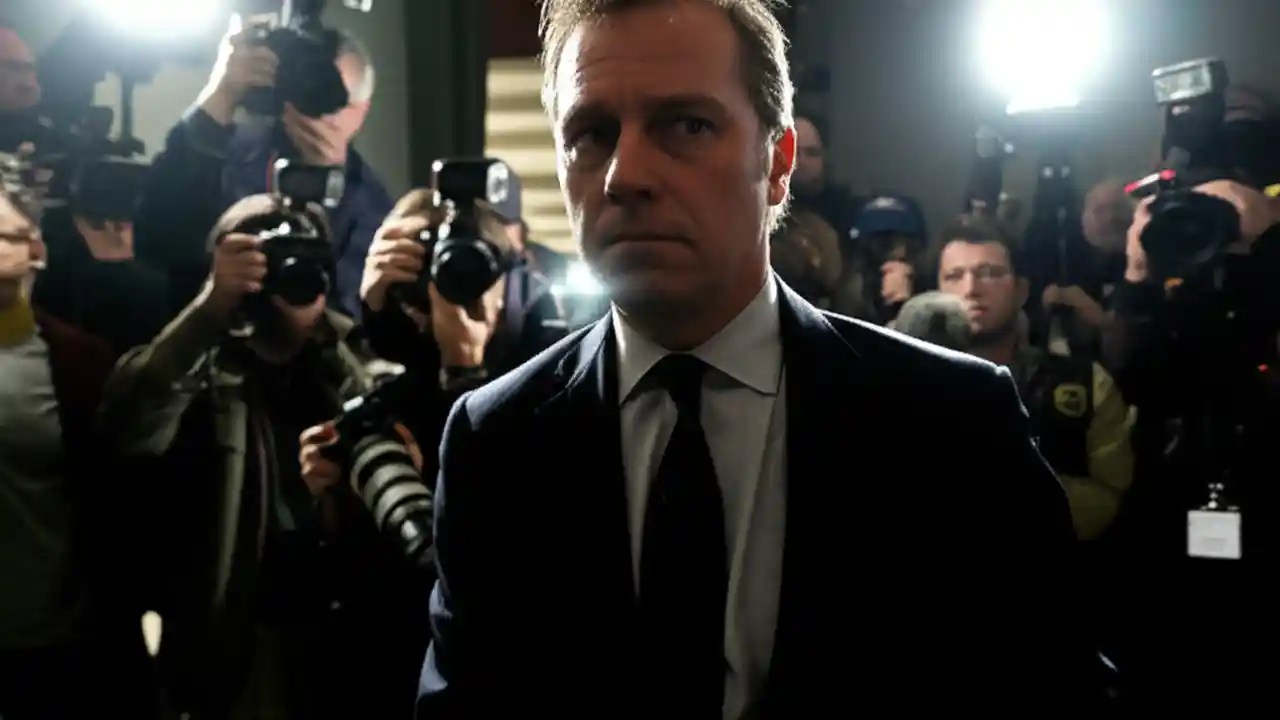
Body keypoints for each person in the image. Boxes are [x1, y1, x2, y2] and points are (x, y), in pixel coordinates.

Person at [417, 1, 1100, 717]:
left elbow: (1056, 692)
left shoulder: (952, 422)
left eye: (686, 125)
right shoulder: (495, 440)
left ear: (776, 163)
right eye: (591, 134)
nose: (625, 174)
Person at [99, 195, 427, 719]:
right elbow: (127, 426)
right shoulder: (197, 366)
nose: (293, 277)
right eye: (272, 261)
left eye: (307, 261)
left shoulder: (357, 362)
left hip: (348, 630)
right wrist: (211, 309)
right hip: (239, 639)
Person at [296, 183, 565, 542]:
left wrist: (464, 372)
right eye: (417, 287)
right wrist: (335, 504)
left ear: (510, 284)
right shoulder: (394, 400)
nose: (438, 306)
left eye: (458, 277)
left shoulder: (562, 384)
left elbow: (507, 536)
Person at [0, 192, 155, 719]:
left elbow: (113, 496)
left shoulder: (76, 361)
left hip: (61, 633)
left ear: (35, 248)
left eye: (5, 235)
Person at [135, 16, 393, 319]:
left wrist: (325, 185)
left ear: (361, 111)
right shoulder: (225, 149)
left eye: (334, 102)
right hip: (207, 345)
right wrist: (222, 95)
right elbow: (155, 235)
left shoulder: (370, 203)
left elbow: (352, 317)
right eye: (309, 95)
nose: (323, 117)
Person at [933, 215, 1135, 542]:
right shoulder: (910, 384)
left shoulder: (1083, 384)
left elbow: (1111, 495)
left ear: (1022, 289)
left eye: (990, 273)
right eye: (954, 276)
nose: (971, 289)